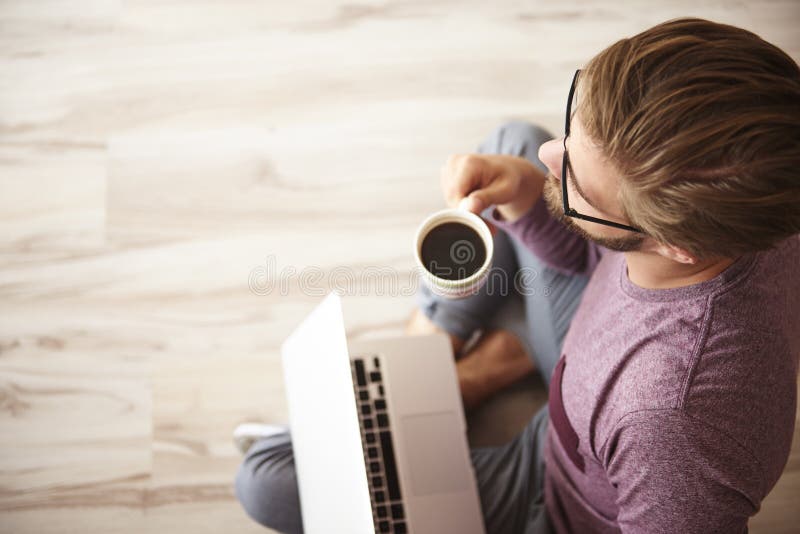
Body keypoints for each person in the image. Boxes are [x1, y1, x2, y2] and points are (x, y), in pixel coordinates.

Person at [233, 17, 800, 533]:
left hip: (553, 496)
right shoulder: (765, 170)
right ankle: (468, 355)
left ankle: (463, 366)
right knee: (513, 148)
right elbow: (596, 254)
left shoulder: (671, 424)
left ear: (677, 245)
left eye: (575, 180)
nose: (554, 153)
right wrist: (534, 194)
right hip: (585, 375)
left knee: (266, 477)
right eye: (572, 129)